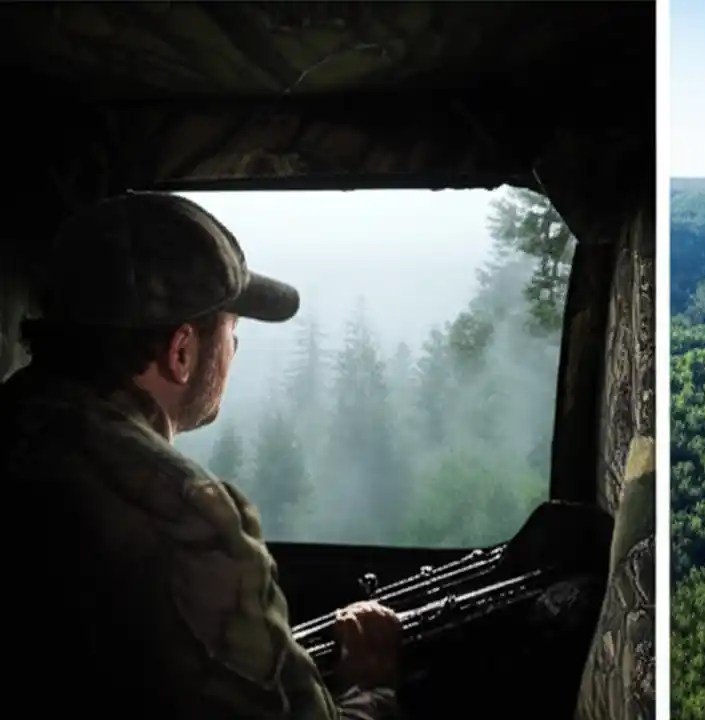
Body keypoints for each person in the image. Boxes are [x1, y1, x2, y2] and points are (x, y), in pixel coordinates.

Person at [0, 191, 403, 719]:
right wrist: (371, 687)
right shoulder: (186, 516)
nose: (234, 349)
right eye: (231, 329)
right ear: (182, 351)